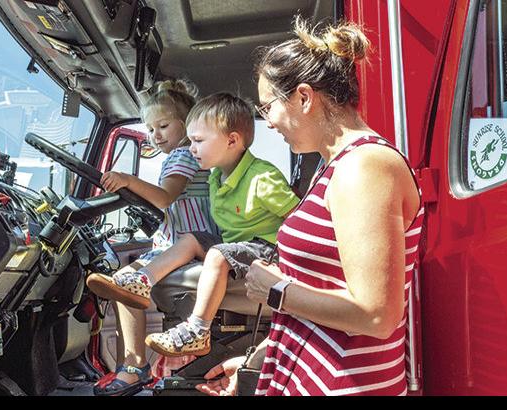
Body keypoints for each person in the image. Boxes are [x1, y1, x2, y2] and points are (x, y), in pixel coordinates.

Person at [197, 18, 424, 396]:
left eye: (267, 107)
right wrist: (264, 358)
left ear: (303, 97)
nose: (267, 123)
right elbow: (326, 295)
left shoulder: (363, 166)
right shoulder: (333, 167)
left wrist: (276, 290)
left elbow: (375, 315)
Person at [89, 92, 300, 358]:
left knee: (217, 254)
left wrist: (291, 264)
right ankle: (141, 280)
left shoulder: (262, 177)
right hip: (237, 246)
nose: (191, 148)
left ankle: (198, 330)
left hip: (267, 248)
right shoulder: (215, 179)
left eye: (198, 141)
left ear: (232, 140)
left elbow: (297, 216)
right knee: (190, 239)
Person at [86, 79, 217, 396]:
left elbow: (166, 197)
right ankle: (129, 367)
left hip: (190, 242)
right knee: (122, 282)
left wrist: (128, 180)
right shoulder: (179, 156)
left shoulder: (184, 155)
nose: (156, 135)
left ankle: (133, 368)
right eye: (150, 129)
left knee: (124, 281)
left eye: (163, 126)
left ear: (185, 125)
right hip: (178, 240)